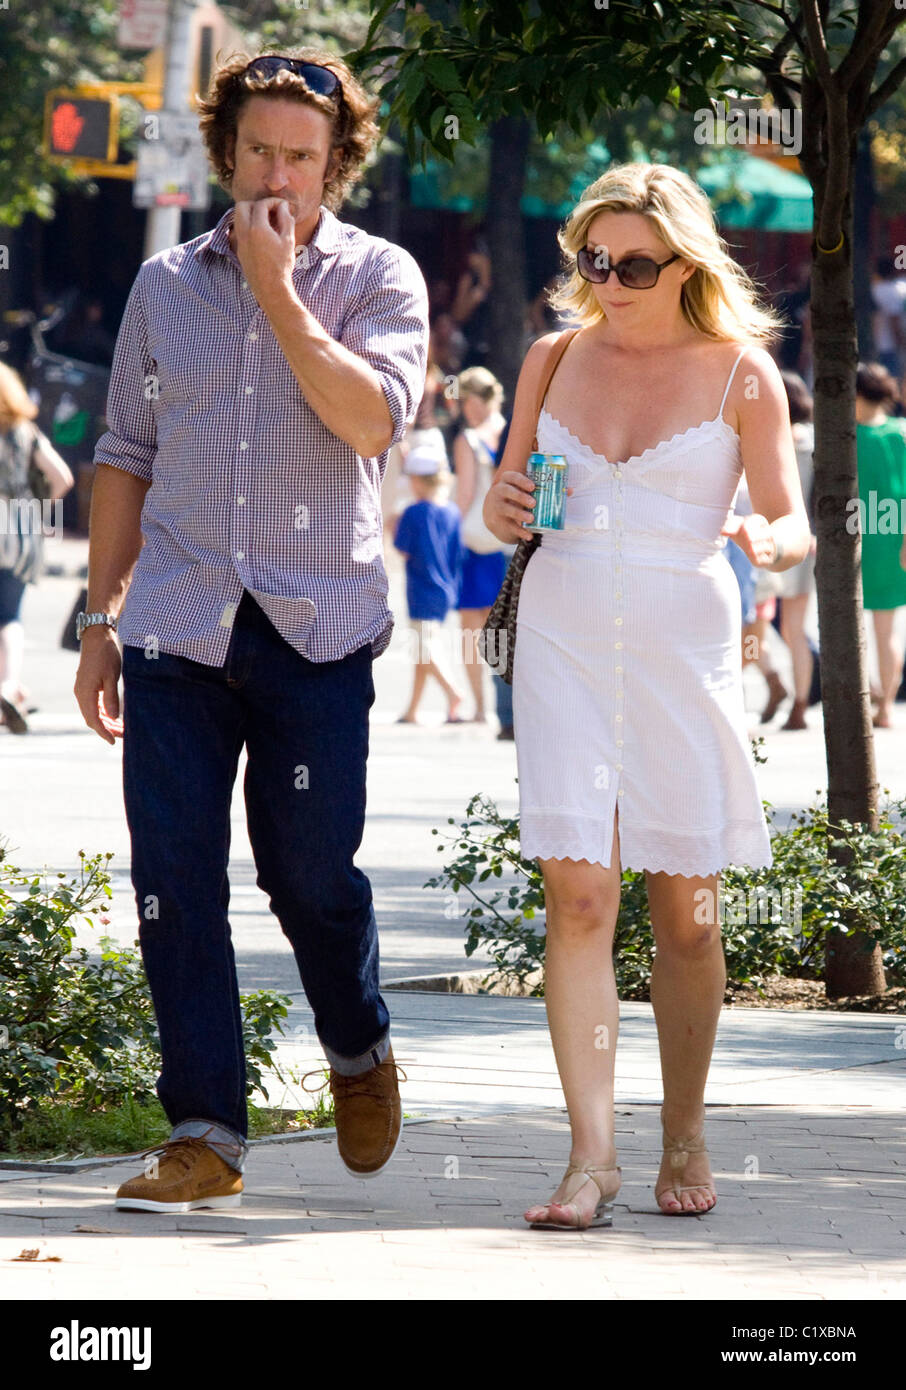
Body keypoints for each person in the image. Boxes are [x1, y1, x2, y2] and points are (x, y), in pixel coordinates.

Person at [73, 48, 429, 1212]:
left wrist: (280, 288)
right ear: (228, 149)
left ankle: (359, 1042)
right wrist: (98, 621)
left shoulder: (381, 279)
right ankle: (204, 1132)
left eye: (304, 156)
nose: (279, 172)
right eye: (261, 149)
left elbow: (370, 419)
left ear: (339, 165)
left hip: (315, 625)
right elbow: (126, 450)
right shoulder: (165, 284)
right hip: (179, 622)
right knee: (173, 877)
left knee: (309, 874)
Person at [483, 162, 810, 1229]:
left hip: (684, 648)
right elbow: (507, 501)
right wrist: (502, 501)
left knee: (689, 917)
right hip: (567, 638)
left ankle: (684, 1131)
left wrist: (772, 537)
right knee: (579, 899)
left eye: (633, 263)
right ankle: (591, 1159)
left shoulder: (740, 373)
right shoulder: (551, 356)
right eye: (592, 258)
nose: (609, 280)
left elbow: (793, 520)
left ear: (684, 264)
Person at [0, 361, 74, 733]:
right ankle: (9, 685)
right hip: (17, 529)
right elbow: (62, 476)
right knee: (10, 614)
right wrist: (40, 511)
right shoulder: (24, 431)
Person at [451, 366, 509, 723]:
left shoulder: (467, 439)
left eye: (465, 401)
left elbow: (465, 495)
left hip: (475, 541)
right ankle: (504, 705)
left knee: (471, 628)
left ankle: (480, 707)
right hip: (507, 541)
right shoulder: (509, 432)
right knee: (501, 627)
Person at [392, 446, 464, 723]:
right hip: (446, 588)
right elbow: (458, 553)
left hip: (420, 588)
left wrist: (391, 527)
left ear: (419, 480)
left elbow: (403, 548)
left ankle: (453, 692)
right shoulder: (453, 512)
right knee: (422, 648)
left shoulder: (413, 512)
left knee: (424, 648)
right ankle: (413, 709)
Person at [855, 361, 906, 729]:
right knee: (886, 631)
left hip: (854, 536)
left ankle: (875, 697)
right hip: (893, 538)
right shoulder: (899, 434)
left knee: (852, 627)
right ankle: (885, 704)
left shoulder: (845, 436)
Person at [774, 371, 817, 730]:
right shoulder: (815, 441)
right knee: (795, 627)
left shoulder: (772, 438)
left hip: (773, 537)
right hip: (806, 538)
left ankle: (791, 697)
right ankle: (799, 703)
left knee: (759, 624)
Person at [870, 258, 906, 384]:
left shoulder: (878, 289)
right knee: (894, 382)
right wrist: (901, 343)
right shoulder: (893, 290)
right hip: (892, 345)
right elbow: (894, 319)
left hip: (885, 344)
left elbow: (893, 319)